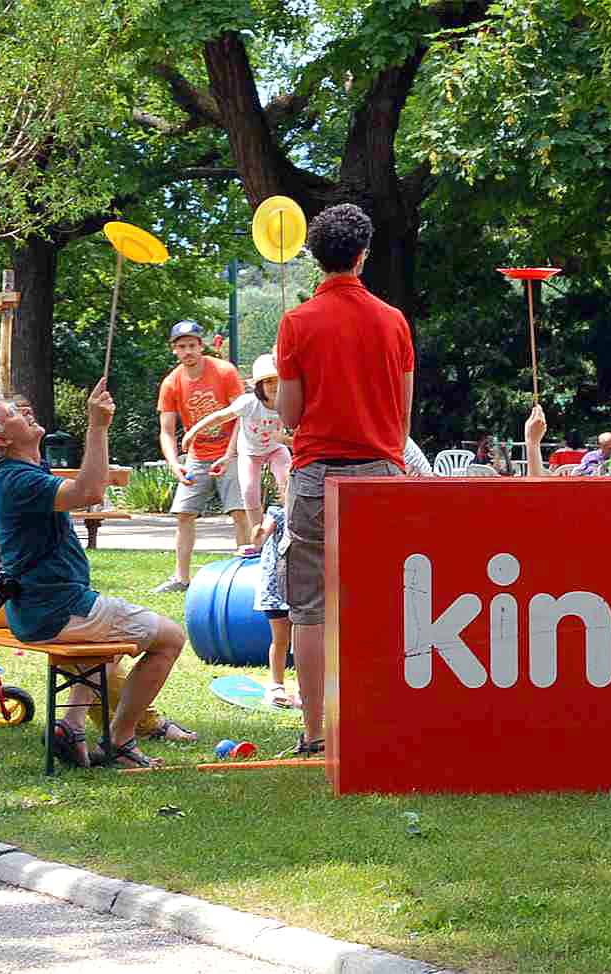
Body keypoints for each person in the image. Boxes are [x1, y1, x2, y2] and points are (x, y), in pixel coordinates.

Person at [0, 397, 195, 759]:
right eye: (13, 413)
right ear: (2, 439)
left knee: (108, 637)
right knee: (171, 639)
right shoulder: (18, 479)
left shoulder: (26, 469)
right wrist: (97, 427)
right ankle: (121, 739)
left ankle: (70, 727)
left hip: (40, 609)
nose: (26, 411)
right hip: (56, 609)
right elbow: (90, 493)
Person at [276, 203, 414, 757]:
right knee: (382, 601)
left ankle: (315, 733)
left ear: (316, 257)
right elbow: (403, 419)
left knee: (310, 608)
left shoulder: (297, 323)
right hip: (381, 473)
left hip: (315, 477)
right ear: (363, 256)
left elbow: (289, 414)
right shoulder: (393, 321)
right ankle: (378, 723)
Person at [154, 320, 250, 593]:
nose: (188, 351)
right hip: (197, 454)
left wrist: (231, 454)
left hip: (230, 450)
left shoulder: (224, 371)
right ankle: (181, 578)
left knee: (239, 511)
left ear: (201, 346)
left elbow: (242, 416)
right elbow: (167, 431)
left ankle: (245, 573)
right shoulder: (171, 383)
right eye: (182, 346)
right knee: (184, 513)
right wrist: (175, 465)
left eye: (192, 345)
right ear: (174, 350)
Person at [180, 353, 291, 550]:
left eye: (278, 380)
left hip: (275, 449)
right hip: (250, 453)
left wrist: (284, 440)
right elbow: (218, 417)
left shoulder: (288, 404)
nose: (274, 386)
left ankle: (290, 524)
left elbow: (302, 437)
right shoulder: (248, 403)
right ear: (259, 386)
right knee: (248, 490)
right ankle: (257, 535)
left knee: (286, 481)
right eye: (268, 381)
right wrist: (193, 433)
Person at [251, 504, 296, 708]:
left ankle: (306, 686)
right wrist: (257, 535)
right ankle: (276, 685)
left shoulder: (312, 512)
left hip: (304, 585)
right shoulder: (277, 513)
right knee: (280, 640)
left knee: (303, 640)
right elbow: (261, 538)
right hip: (276, 588)